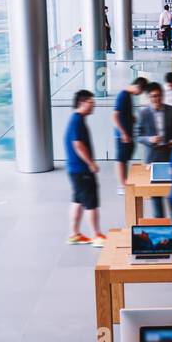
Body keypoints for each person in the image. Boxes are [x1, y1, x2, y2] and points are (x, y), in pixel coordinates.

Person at [64, 90, 105, 246]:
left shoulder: (76, 119)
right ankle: (97, 236)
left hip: (75, 170)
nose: (93, 105)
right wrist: (91, 163)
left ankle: (74, 234)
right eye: (91, 102)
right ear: (82, 102)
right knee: (91, 202)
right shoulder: (77, 121)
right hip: (82, 170)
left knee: (78, 201)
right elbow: (78, 144)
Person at [135, 82, 172, 219]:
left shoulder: (171, 110)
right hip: (153, 158)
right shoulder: (143, 113)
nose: (157, 99)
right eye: (153, 96)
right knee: (157, 201)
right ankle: (163, 234)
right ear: (148, 97)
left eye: (159, 96)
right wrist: (149, 139)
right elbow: (137, 136)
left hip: (169, 155)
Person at [112, 77, 147, 195]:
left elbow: (123, 114)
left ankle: (124, 182)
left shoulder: (127, 96)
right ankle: (122, 185)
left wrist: (132, 118)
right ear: (138, 87)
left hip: (126, 132)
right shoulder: (123, 95)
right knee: (121, 160)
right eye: (141, 91)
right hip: (122, 134)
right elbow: (115, 116)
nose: (140, 94)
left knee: (125, 159)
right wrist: (123, 133)